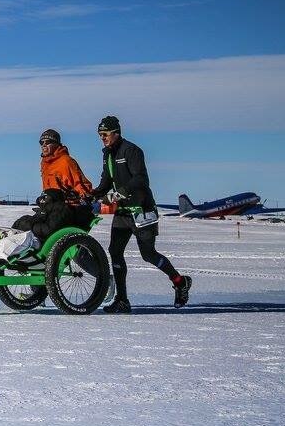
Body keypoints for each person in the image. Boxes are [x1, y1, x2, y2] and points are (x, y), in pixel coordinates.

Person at [88, 115, 191, 312]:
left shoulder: (132, 151)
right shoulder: (107, 154)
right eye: (100, 135)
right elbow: (105, 183)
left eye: (105, 134)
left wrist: (117, 194)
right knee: (115, 252)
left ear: (116, 133)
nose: (102, 138)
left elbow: (141, 180)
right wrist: (92, 195)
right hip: (123, 213)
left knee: (148, 254)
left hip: (142, 211)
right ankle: (122, 299)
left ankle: (180, 281)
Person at [39, 128, 95, 228]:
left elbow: (82, 185)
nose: (43, 145)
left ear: (56, 144)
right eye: (41, 142)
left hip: (67, 208)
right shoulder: (44, 163)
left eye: (47, 142)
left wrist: (84, 198)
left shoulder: (66, 161)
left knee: (45, 229)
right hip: (50, 207)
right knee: (26, 224)